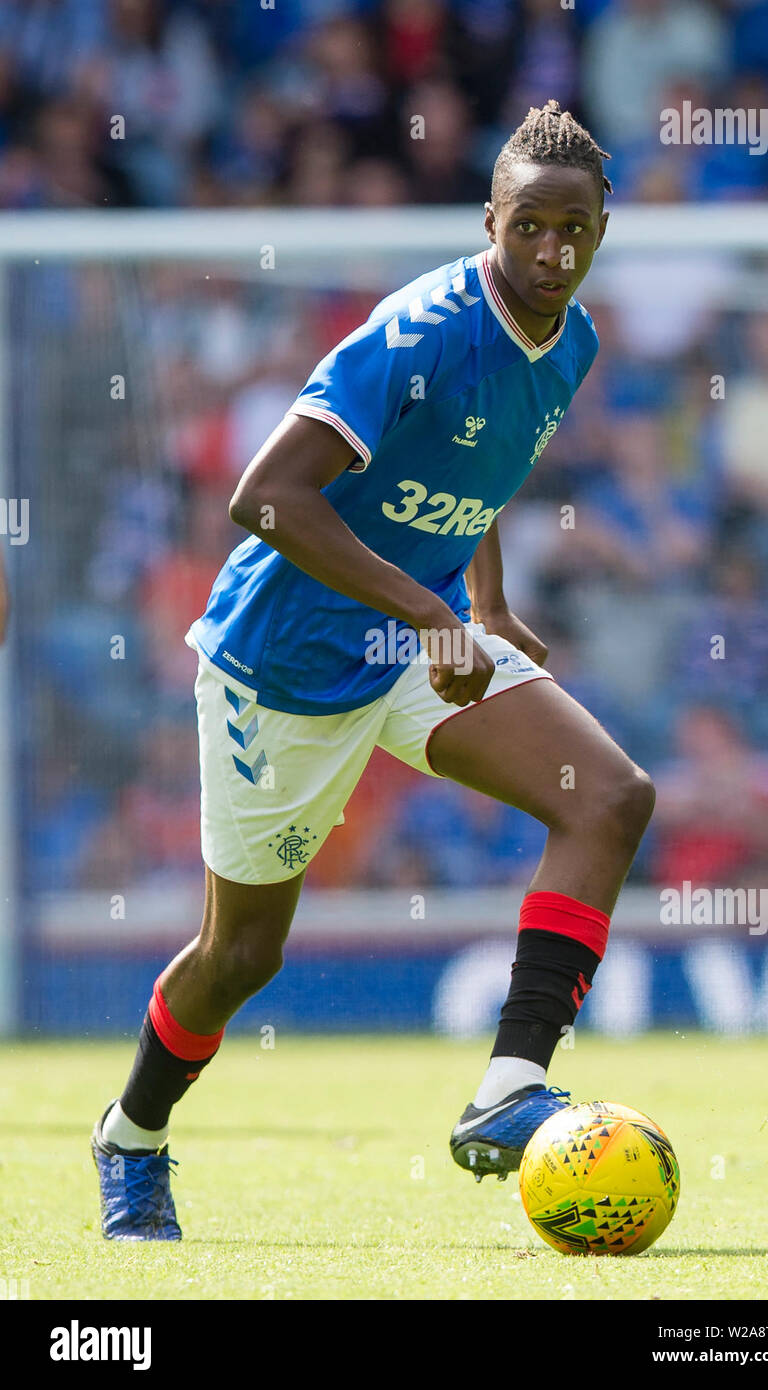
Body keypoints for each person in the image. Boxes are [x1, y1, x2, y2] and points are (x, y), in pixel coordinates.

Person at [92, 100, 655, 1240]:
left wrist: (483, 603)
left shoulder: (573, 341)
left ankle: (507, 1089)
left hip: (418, 636)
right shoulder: (419, 330)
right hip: (284, 665)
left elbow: (472, 469)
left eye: (576, 231)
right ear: (488, 219)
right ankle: (132, 1134)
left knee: (610, 797)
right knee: (242, 953)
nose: (554, 253)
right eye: (531, 227)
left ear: (602, 229)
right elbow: (265, 496)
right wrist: (431, 614)